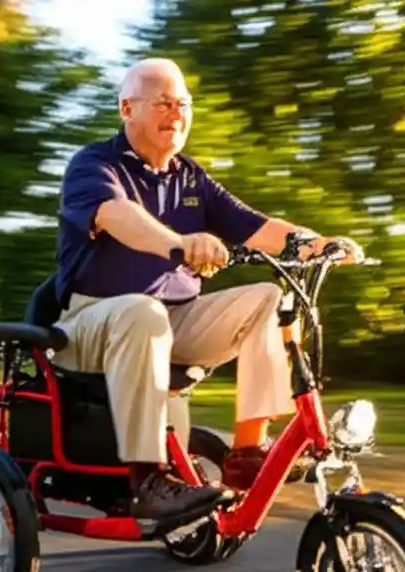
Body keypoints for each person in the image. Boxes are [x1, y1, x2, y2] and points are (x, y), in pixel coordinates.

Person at [52, 58, 359, 521]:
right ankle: (147, 480)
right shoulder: (95, 164)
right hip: (92, 324)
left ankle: (249, 455)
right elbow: (117, 216)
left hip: (172, 321)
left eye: (183, 104)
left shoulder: (190, 177)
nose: (175, 113)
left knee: (268, 299)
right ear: (126, 108)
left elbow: (255, 226)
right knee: (143, 312)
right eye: (162, 103)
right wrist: (177, 243)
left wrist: (318, 243)